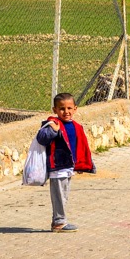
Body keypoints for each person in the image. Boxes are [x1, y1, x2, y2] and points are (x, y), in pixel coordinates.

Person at [36, 92, 96, 232]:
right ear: (55, 110)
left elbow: (78, 147)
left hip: (68, 166)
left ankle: (58, 221)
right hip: (58, 166)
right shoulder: (52, 124)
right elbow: (42, 138)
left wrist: (79, 164)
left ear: (75, 109)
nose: (66, 112)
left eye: (69, 108)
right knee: (59, 195)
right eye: (62, 109)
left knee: (64, 194)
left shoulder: (75, 126)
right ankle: (59, 222)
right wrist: (54, 131)